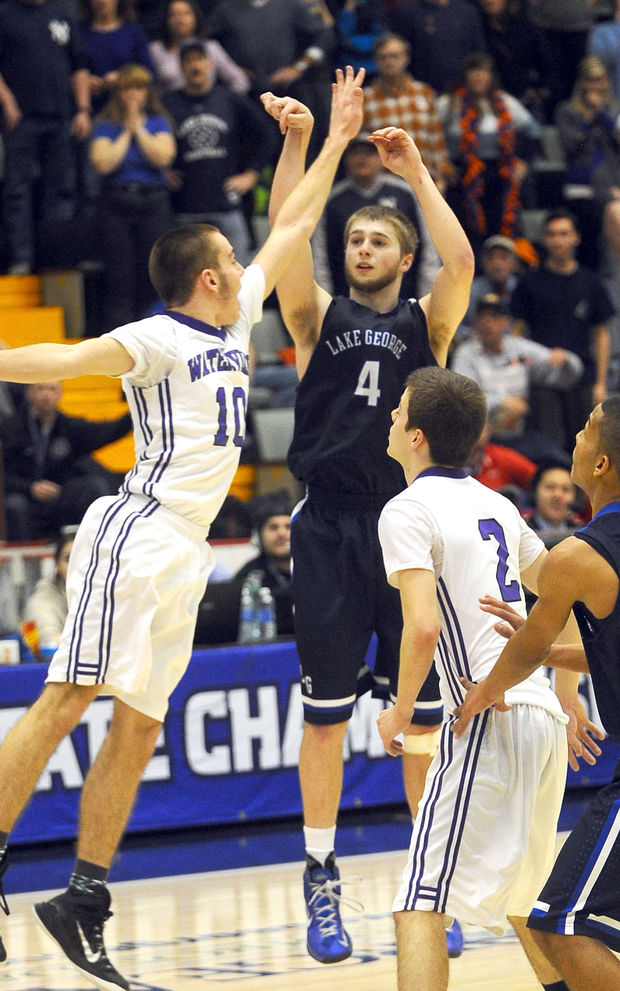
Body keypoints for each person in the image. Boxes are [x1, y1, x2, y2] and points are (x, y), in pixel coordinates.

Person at [0, 65, 365, 988]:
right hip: (135, 530)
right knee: (66, 700)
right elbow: (71, 353)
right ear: (209, 274)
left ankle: (84, 895)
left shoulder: (234, 321)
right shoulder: (162, 337)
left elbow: (291, 225)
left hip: (186, 551)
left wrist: (309, 142)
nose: (247, 269)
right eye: (231, 263)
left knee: (139, 725)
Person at [262, 85, 474, 963]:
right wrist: (308, 143)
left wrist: (417, 173)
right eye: (352, 237)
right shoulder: (317, 317)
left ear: (402, 255)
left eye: (376, 238)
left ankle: (427, 880)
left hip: (409, 527)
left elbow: (459, 263)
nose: (359, 245)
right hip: (328, 527)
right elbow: (282, 241)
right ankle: (321, 876)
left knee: (421, 722)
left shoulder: (429, 322)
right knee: (323, 719)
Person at [377, 364, 597, 991]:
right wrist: (566, 693)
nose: (391, 418)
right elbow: (569, 598)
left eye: (398, 411)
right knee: (526, 905)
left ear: (416, 435)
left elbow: (421, 629)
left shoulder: (407, 509)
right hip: (541, 725)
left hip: (487, 715)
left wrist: (399, 711)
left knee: (419, 902)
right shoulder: (497, 503)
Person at [453, 395, 620, 991]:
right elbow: (583, 645)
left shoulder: (580, 555)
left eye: (584, 431)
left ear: (600, 464)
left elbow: (524, 647)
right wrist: (551, 656)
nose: (574, 437)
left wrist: (484, 692)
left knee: (560, 924)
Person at [510, 208, 615, 453]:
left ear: (576, 237)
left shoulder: (591, 282)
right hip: (542, 377)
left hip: (584, 378)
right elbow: (516, 333)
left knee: (586, 446)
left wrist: (600, 382)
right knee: (549, 446)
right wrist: (516, 381)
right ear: (545, 239)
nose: (558, 240)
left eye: (564, 233)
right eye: (552, 234)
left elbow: (601, 333)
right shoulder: (529, 281)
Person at [0, 0, 91, 275]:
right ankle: (21, 259)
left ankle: (56, 257)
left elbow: (79, 65)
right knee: (18, 190)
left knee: (62, 191)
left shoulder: (63, 13)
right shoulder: (5, 13)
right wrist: (7, 103)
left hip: (61, 116)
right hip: (21, 119)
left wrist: (83, 109)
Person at [163, 37, 268, 266]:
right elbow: (151, 139)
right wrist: (162, 171)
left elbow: (266, 135)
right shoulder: (168, 104)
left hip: (226, 207)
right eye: (188, 61)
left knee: (237, 283)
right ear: (181, 67)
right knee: (188, 286)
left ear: (210, 63)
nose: (195, 66)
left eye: (199, 59)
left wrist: (252, 174)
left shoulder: (229, 99)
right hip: (185, 210)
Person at [90, 63, 176, 329]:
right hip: (116, 204)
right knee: (120, 276)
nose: (133, 94)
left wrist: (139, 127)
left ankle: (152, 334)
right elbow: (103, 163)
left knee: (152, 274)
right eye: (128, 88)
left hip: (153, 203)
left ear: (148, 92)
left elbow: (163, 156)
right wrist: (127, 130)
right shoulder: (106, 125)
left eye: (139, 88)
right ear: (119, 93)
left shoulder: (159, 123)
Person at [451, 293, 583, 466]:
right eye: (482, 316)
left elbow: (568, 377)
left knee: (561, 464)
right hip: (482, 439)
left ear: (506, 322)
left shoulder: (519, 348)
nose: (487, 322)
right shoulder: (466, 354)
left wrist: (566, 360)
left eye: (494, 316)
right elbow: (463, 399)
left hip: (519, 435)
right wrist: (502, 403)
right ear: (475, 323)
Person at [437, 50, 541, 255]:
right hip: (461, 175)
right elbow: (432, 135)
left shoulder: (505, 102)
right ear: (465, 75)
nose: (479, 77)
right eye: (474, 71)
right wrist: (442, 165)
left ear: (492, 76)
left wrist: (523, 163)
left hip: (497, 176)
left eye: (484, 71)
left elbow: (534, 132)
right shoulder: (448, 104)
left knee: (498, 225)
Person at [0, 380, 132, 542]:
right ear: (29, 393)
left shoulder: (68, 427)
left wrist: (135, 413)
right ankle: (21, 564)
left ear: (60, 394)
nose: (46, 394)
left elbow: (106, 431)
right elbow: (4, 475)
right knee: (14, 505)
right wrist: (30, 488)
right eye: (40, 388)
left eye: (52, 389)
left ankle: (98, 545)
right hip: (24, 498)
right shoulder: (10, 428)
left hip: (58, 497)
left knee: (93, 487)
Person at [314, 131, 439, 299]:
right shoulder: (332, 200)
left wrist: (427, 297)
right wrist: (325, 303)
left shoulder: (405, 193)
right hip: (347, 301)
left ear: (381, 158)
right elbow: (320, 256)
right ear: (345, 159)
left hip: (404, 299)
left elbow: (427, 245)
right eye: (355, 153)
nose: (362, 159)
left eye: (369, 153)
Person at [362, 34, 453, 195]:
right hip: (385, 186)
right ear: (376, 61)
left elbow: (436, 139)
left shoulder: (424, 92)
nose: (389, 62)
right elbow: (363, 146)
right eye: (383, 57)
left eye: (395, 56)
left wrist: (441, 177)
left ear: (406, 58)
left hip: (424, 181)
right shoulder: (365, 98)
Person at [553, 55, 620, 272]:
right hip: (580, 186)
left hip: (610, 184)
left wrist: (603, 115)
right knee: (588, 245)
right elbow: (572, 147)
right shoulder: (567, 111)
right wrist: (590, 120)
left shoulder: (614, 109)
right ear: (582, 82)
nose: (595, 86)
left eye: (600, 80)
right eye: (590, 80)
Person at [385, 0, 487, 97]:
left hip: (464, 93)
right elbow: (400, 54)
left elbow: (479, 56)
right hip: (421, 93)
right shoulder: (407, 13)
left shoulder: (467, 12)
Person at [149, 0, 249, 95]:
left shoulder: (210, 47)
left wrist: (222, 103)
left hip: (209, 108)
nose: (180, 19)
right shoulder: (155, 50)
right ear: (166, 19)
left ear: (195, 16)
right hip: (171, 109)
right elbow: (151, 88)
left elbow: (240, 81)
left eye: (186, 13)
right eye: (174, 14)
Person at [235, 490, 294, 636]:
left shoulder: (314, 570)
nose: (282, 534)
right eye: (273, 527)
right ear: (258, 536)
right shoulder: (248, 576)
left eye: (288, 527)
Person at [22, 531, 75, 651]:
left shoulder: (108, 593)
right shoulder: (42, 598)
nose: (76, 566)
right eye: (68, 559)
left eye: (85, 559)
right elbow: (50, 640)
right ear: (57, 564)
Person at [522, 461, 586, 547]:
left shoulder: (583, 534)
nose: (557, 495)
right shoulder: (521, 532)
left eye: (565, 489)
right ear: (535, 491)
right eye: (550, 487)